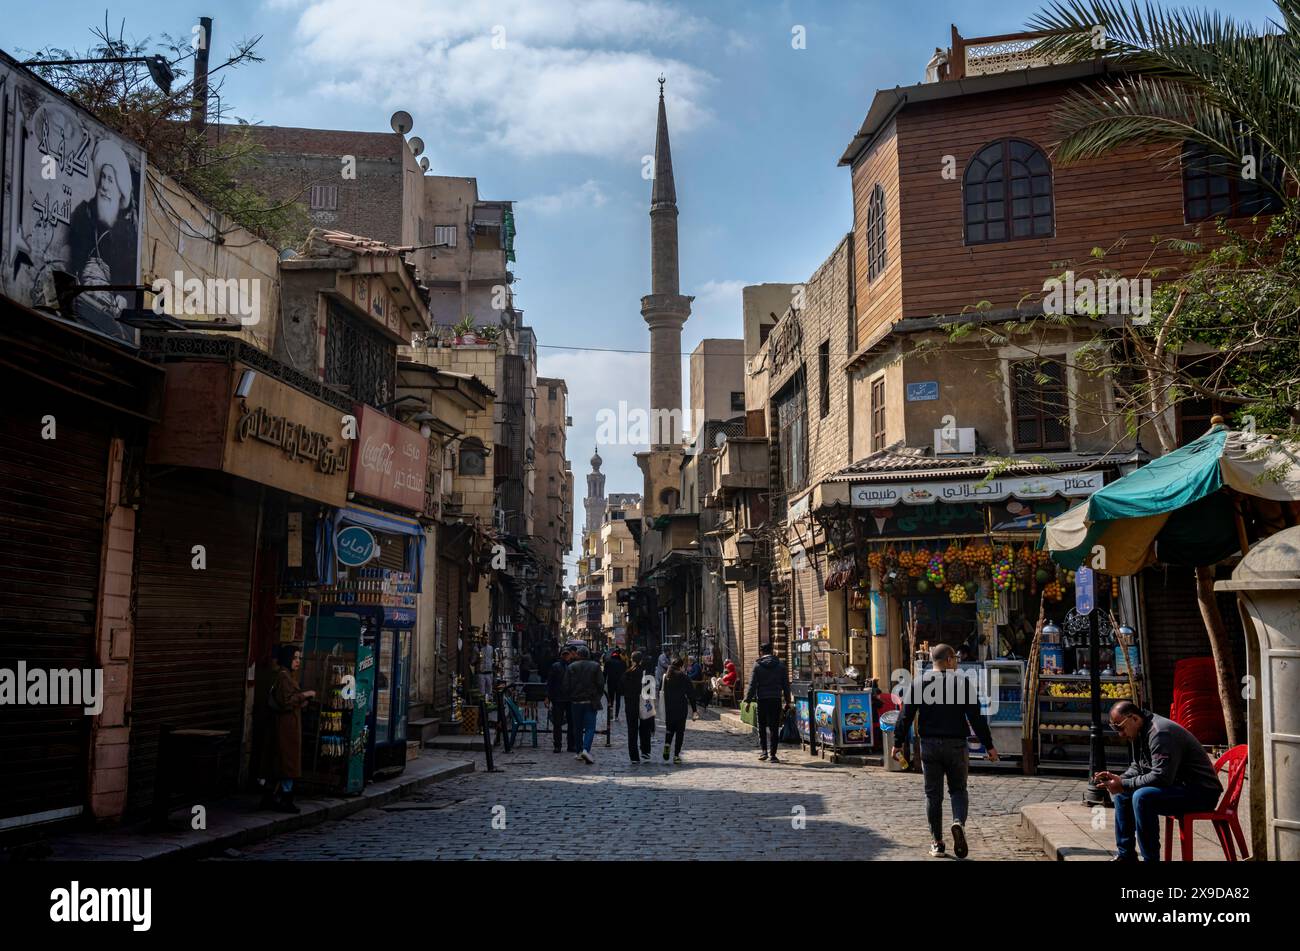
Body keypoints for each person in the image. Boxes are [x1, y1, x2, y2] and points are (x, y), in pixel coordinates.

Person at [893, 643, 998, 858]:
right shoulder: (962, 683)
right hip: (956, 746)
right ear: (949, 660)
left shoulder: (919, 683)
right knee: (958, 790)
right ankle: (958, 821)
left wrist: (897, 742)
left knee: (933, 795)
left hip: (929, 746)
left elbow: (905, 716)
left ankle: (938, 843)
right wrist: (989, 746)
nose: (957, 662)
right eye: (956, 659)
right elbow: (976, 719)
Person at [1096, 700, 1224, 862]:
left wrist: (1124, 784)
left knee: (1142, 797)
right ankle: (1126, 855)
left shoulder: (1160, 732)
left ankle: (1151, 859)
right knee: (1122, 795)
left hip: (1201, 793)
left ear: (1134, 718)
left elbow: (1161, 777)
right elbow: (1139, 766)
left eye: (1120, 728)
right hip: (1178, 787)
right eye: (1115, 729)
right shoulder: (1139, 731)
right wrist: (1120, 779)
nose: (1120, 734)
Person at [265, 644, 315, 813]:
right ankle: (286, 799)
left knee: (282, 764)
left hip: (288, 726)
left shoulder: (286, 676)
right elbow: (286, 701)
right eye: (295, 658)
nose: (297, 661)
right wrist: (305, 695)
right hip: (285, 728)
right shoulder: (284, 677)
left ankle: (271, 797)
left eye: (299, 658)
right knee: (288, 764)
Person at [745, 643, 792, 763]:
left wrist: (748, 701)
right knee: (774, 727)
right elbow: (786, 686)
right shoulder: (781, 666)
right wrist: (788, 701)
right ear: (773, 651)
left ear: (761, 652)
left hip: (762, 700)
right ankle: (773, 755)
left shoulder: (757, 666)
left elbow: (752, 685)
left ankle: (764, 751)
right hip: (775, 699)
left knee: (761, 725)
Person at [562, 646, 605, 764]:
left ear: (578, 655)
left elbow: (566, 685)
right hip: (590, 701)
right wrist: (597, 696)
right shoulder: (595, 666)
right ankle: (586, 749)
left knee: (577, 728)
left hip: (576, 702)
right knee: (590, 728)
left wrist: (571, 696)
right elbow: (601, 684)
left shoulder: (571, 667)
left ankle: (579, 751)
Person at [660, 658, 698, 764]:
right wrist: (694, 710)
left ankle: (667, 746)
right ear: (681, 666)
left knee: (669, 730)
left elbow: (660, 690)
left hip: (669, 708)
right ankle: (676, 755)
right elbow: (691, 695)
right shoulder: (684, 677)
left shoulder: (666, 676)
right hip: (681, 708)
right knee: (680, 732)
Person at [622, 652, 658, 763]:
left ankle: (634, 757)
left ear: (632, 660)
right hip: (644, 704)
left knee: (632, 731)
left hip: (631, 705)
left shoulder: (627, 673)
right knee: (645, 728)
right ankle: (646, 752)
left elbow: (621, 690)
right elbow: (651, 694)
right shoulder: (647, 675)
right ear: (641, 660)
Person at [546, 647, 575, 754]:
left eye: (567, 654)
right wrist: (548, 696)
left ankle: (570, 745)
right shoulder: (556, 666)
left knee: (571, 723)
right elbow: (550, 683)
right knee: (558, 723)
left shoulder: (572, 666)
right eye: (564, 654)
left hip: (569, 698)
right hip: (558, 698)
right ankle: (558, 745)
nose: (566, 656)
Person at [604, 648, 627, 721]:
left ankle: (610, 715)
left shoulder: (608, 662)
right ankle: (616, 716)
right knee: (618, 699)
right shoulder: (623, 663)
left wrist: (604, 682)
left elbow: (605, 673)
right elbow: (625, 674)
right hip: (620, 684)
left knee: (610, 699)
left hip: (611, 683)